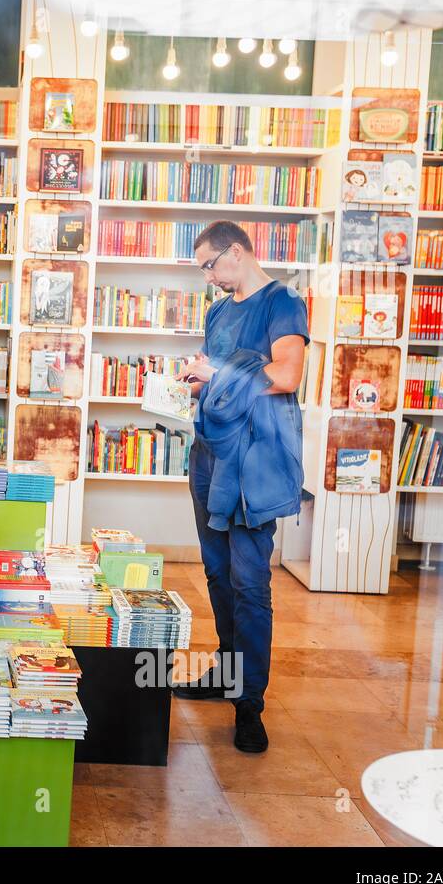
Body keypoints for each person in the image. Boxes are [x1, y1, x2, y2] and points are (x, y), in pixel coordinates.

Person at [174, 220, 308, 755]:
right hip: (210, 454)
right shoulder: (218, 309)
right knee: (217, 574)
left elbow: (287, 374)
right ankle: (229, 676)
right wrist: (196, 382)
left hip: (255, 462)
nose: (208, 277)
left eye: (210, 265)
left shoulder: (282, 302)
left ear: (237, 251)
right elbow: (223, 375)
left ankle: (250, 703)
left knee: (250, 582)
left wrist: (220, 376)